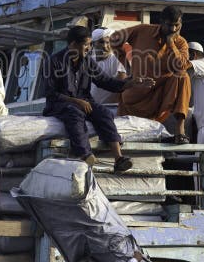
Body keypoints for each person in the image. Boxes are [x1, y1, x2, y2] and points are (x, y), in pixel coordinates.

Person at [43, 26, 154, 173]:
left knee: (105, 113)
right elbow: (51, 94)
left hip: (85, 101)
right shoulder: (54, 61)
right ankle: (85, 154)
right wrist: (76, 101)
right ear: (73, 45)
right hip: (60, 104)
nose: (89, 48)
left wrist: (131, 83)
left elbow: (106, 82)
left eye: (90, 44)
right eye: (86, 44)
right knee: (74, 114)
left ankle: (119, 158)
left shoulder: (87, 62)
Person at [112, 6, 192, 144]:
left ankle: (180, 130)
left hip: (160, 100)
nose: (173, 30)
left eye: (176, 25)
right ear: (161, 22)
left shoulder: (180, 42)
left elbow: (181, 66)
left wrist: (170, 43)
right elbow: (114, 39)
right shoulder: (142, 30)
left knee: (182, 76)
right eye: (169, 25)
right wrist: (126, 65)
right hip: (136, 95)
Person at [90, 28, 127, 105]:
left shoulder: (116, 60)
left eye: (108, 42)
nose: (105, 46)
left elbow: (122, 86)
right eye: (101, 42)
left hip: (110, 107)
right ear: (93, 44)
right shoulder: (90, 60)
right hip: (91, 106)